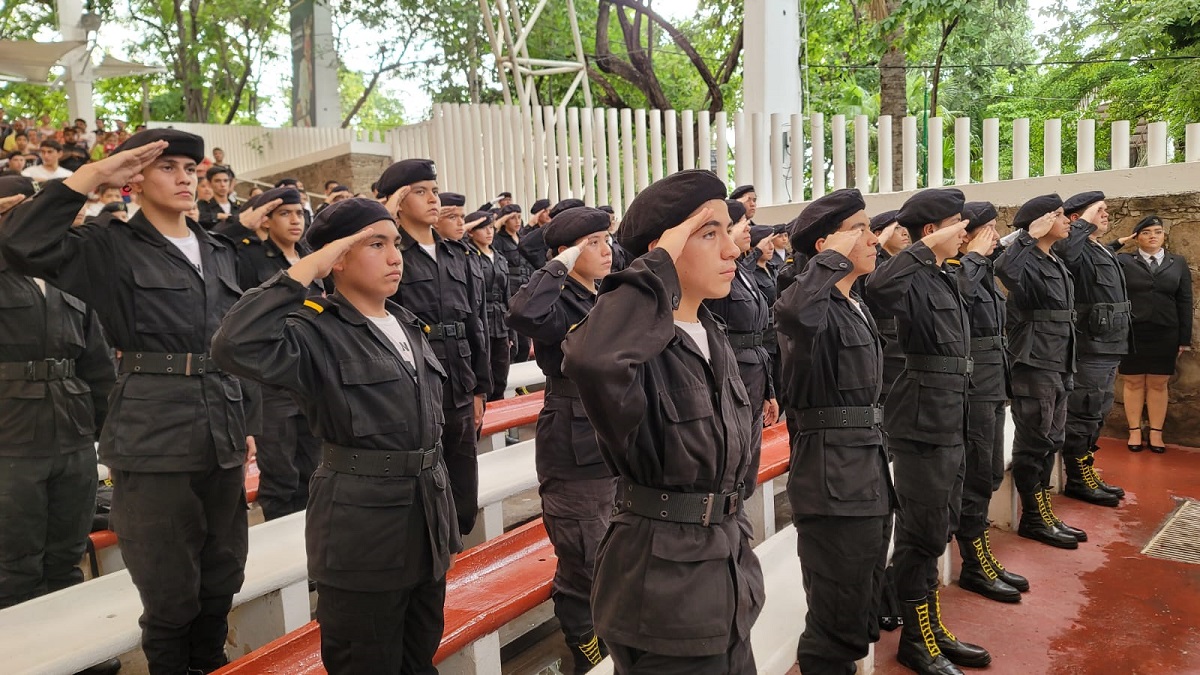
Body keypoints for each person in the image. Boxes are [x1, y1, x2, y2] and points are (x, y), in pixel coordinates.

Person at [0, 130, 251, 675]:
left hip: (222, 426)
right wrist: (93, 175)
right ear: (134, 178)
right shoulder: (109, 245)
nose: (185, 176)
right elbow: (21, 242)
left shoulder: (219, 249)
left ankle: (209, 662)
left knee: (223, 571)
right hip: (153, 432)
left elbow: (238, 340)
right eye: (169, 167)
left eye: (191, 167)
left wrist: (246, 419)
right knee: (168, 583)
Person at [212, 198, 460, 674]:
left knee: (420, 656)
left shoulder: (407, 326)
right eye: (376, 244)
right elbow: (233, 345)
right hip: (363, 533)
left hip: (426, 522)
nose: (395, 257)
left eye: (396, 244)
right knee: (366, 662)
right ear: (336, 258)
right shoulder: (315, 330)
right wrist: (307, 269)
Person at [562, 170, 764, 674]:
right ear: (664, 249)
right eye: (708, 233)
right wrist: (657, 266)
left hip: (725, 580)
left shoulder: (710, 334)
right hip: (666, 597)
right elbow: (592, 360)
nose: (732, 250)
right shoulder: (635, 342)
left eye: (728, 232)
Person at [865, 188, 991, 674]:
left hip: (951, 416)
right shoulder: (912, 276)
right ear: (929, 230)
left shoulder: (943, 278)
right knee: (922, 531)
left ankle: (932, 626)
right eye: (956, 222)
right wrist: (922, 248)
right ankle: (917, 640)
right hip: (923, 423)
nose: (965, 230)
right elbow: (877, 288)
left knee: (940, 524)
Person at [774, 188, 895, 675]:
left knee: (860, 599)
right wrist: (827, 262)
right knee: (836, 618)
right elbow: (794, 313)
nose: (873, 238)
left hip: (863, 469)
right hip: (833, 477)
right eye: (859, 229)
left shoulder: (853, 302)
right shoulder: (812, 305)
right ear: (827, 245)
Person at [0, 180, 117, 675]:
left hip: (72, 436)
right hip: (10, 441)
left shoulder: (67, 278)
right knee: (14, 560)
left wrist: (106, 435)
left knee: (67, 553)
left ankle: (73, 652)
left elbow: (97, 367)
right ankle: (25, 658)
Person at [507, 206, 616, 672]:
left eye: (605, 239)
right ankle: (588, 656)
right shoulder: (556, 301)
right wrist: (560, 263)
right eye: (591, 243)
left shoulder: (605, 295)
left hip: (614, 437)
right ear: (567, 254)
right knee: (584, 561)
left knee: (614, 555)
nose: (606, 249)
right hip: (575, 446)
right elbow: (523, 313)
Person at [380, 159, 489, 537]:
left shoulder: (457, 254)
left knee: (463, 479)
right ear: (397, 200)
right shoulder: (388, 253)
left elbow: (475, 322)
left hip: (458, 382)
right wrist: (381, 218)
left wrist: (479, 388)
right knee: (424, 482)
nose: (433, 199)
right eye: (420, 191)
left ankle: (459, 548)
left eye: (434, 190)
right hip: (412, 383)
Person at [944, 201, 1029, 604]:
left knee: (991, 469)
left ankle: (981, 555)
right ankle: (974, 564)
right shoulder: (956, 271)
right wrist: (975, 256)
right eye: (987, 229)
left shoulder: (986, 271)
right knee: (977, 473)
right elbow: (957, 298)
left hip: (993, 383)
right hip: (973, 386)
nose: (995, 236)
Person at [995, 194, 1087, 550]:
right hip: (1034, 362)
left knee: (1053, 439)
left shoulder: (1054, 261)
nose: (1068, 221)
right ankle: (1033, 518)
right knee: (1034, 440)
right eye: (1061, 216)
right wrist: (1029, 236)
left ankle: (1043, 511)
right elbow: (1004, 269)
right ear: (1041, 222)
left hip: (1059, 359)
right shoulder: (1026, 259)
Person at [232, 187, 324, 521]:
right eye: (285, 213)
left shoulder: (312, 257)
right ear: (266, 220)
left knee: (316, 469)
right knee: (281, 478)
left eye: (299, 213)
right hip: (271, 382)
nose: (295, 220)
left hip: (310, 377)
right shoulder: (251, 257)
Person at [1052, 191, 1128, 504]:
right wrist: (1082, 223)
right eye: (1099, 210)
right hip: (1090, 343)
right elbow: (1066, 253)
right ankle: (1077, 478)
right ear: (1077, 218)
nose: (1106, 214)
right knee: (1084, 410)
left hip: (1110, 343)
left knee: (1098, 410)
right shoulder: (1076, 247)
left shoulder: (1098, 248)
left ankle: (1086, 467)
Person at [703, 200, 778, 494]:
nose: (750, 229)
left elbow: (758, 336)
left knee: (749, 461)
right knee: (732, 462)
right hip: (732, 375)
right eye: (742, 224)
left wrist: (770, 391)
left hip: (755, 375)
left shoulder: (741, 272)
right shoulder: (717, 275)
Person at [1116, 215, 1193, 454]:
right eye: (1146, 232)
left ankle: (1157, 433)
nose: (1152, 236)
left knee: (1159, 383)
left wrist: (1184, 339)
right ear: (1136, 237)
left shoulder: (1177, 262)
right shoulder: (1124, 261)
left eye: (1157, 232)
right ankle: (1134, 431)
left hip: (1165, 331)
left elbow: (1185, 300)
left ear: (1164, 235)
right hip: (1133, 330)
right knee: (1133, 380)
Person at [465, 211, 512, 401]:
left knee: (501, 376)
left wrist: (511, 331)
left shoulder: (499, 258)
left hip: (500, 323)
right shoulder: (468, 256)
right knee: (484, 377)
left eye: (491, 227)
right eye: (483, 228)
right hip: (480, 322)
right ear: (470, 232)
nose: (489, 232)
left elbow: (507, 295)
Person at [496, 203, 536, 363]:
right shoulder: (499, 239)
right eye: (512, 218)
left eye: (519, 217)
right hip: (511, 291)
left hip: (527, 289)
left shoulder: (523, 237)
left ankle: (523, 381)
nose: (517, 221)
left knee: (526, 339)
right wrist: (501, 219)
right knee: (515, 341)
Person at [198, 166, 241, 230]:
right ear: (210, 184)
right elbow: (199, 218)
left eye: (225, 181)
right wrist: (218, 216)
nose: (222, 185)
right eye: (217, 181)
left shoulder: (237, 207)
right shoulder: (203, 206)